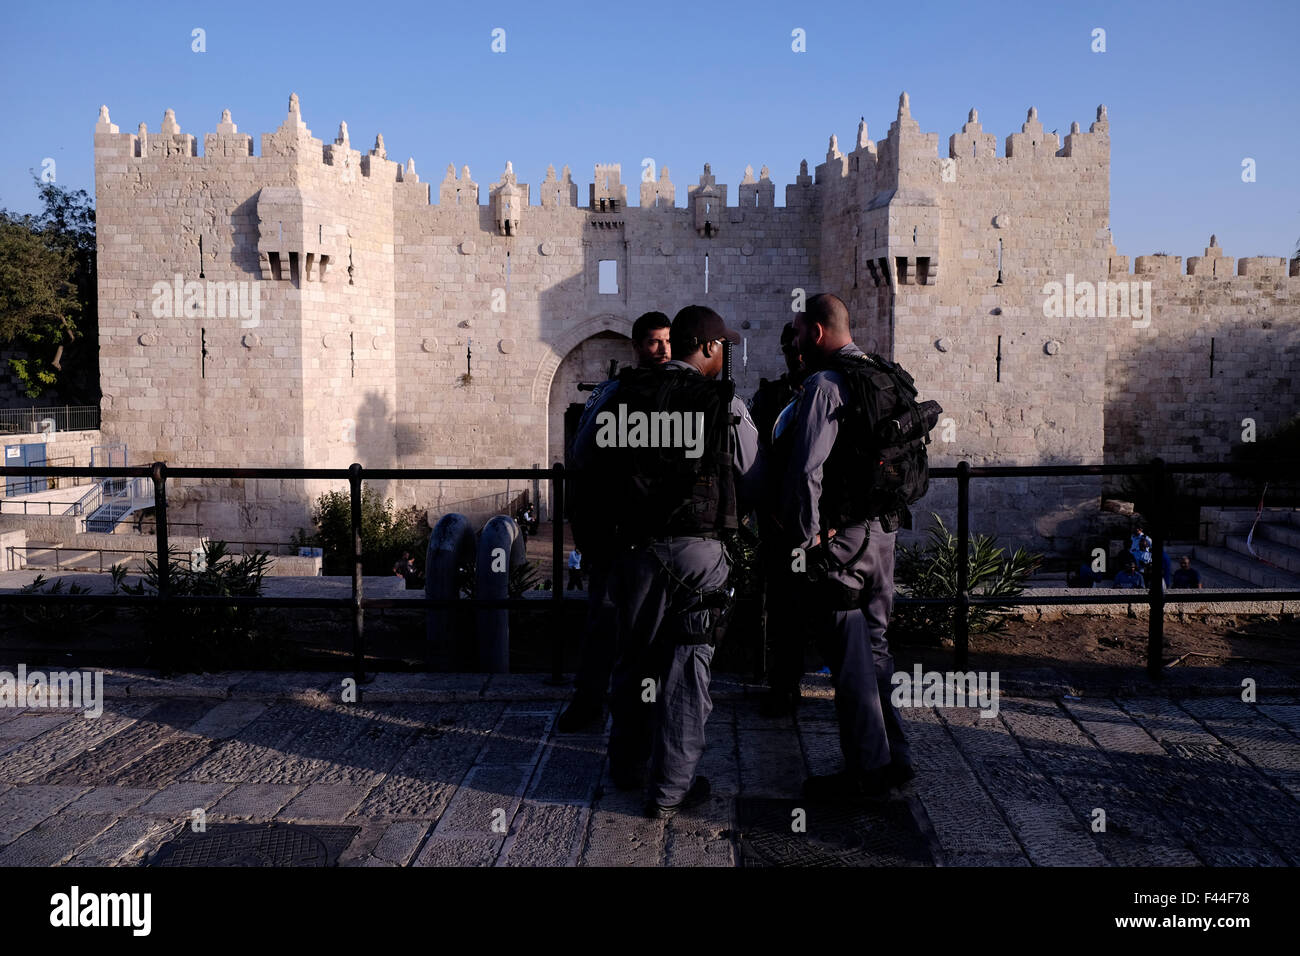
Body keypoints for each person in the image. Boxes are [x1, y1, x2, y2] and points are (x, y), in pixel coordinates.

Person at [573, 304, 759, 818]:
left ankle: (627, 765)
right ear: (706, 347)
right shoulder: (724, 402)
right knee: (687, 667)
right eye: (722, 347)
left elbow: (584, 461)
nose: (724, 356)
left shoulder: (619, 394)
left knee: (633, 660)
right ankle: (670, 789)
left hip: (632, 553)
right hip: (698, 553)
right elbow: (753, 472)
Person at [773, 293, 915, 800]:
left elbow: (806, 469)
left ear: (815, 332)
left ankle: (867, 771)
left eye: (798, 332)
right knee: (875, 648)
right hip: (886, 533)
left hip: (844, 541)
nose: (795, 342)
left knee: (849, 657)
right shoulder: (885, 375)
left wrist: (805, 537)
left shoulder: (826, 385)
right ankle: (895, 755)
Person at [558, 311, 676, 733]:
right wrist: (589, 535)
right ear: (636, 346)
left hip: (665, 535)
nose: (662, 349)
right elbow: (584, 461)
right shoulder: (616, 394)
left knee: (650, 631)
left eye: (667, 341)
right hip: (620, 532)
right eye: (653, 342)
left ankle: (642, 715)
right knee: (605, 620)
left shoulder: (683, 392)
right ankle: (591, 701)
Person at [750, 323, 808, 716]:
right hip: (780, 524)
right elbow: (757, 459)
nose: (797, 357)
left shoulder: (833, 390)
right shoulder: (771, 397)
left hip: (825, 524)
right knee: (784, 606)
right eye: (790, 350)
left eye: (800, 349)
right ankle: (783, 684)